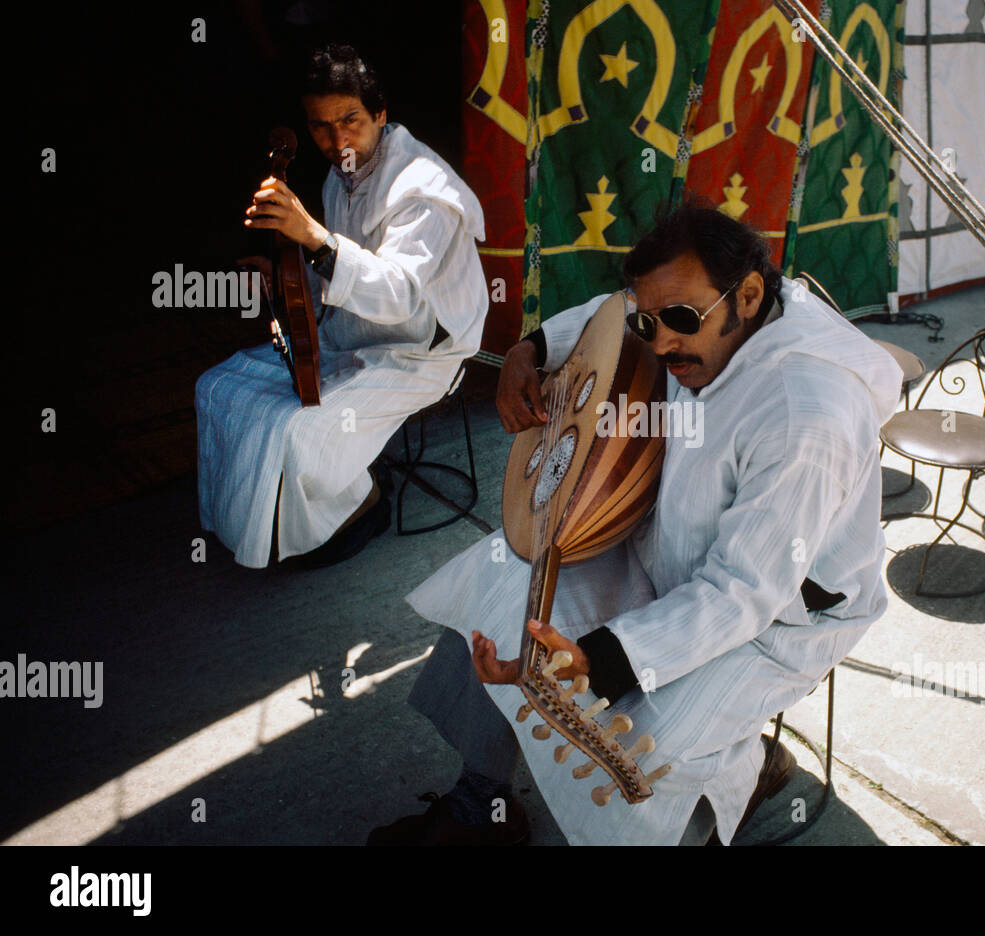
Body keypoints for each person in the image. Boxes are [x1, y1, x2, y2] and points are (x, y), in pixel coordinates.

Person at [376, 203, 903, 845]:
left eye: (680, 322)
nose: (659, 343)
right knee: (498, 583)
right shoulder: (702, 313)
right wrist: (531, 348)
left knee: (633, 745)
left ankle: (735, 782)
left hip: (778, 619)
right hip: (665, 544)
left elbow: (744, 588)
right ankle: (477, 802)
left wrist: (604, 657)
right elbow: (615, 311)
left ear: (751, 295)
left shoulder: (805, 413)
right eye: (650, 321)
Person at [195, 43, 488, 568]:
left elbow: (398, 294)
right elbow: (335, 276)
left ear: (380, 113)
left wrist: (313, 238)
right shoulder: (342, 174)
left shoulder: (424, 187)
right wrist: (287, 278)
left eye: (350, 120)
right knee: (220, 387)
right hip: (352, 334)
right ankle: (276, 527)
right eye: (320, 126)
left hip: (420, 352)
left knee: (295, 428)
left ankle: (362, 504)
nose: (336, 140)